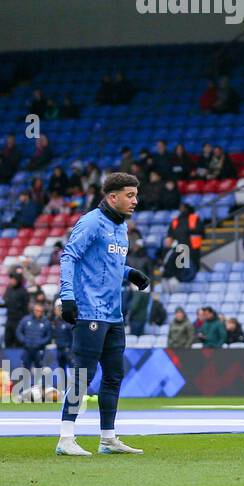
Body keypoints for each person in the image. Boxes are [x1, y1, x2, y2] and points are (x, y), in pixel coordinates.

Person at [55, 172, 151, 456]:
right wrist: (67, 297)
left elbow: (105, 265)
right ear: (112, 197)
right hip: (89, 311)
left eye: (136, 194)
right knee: (83, 374)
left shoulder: (121, 228)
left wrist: (129, 272)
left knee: (114, 375)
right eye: (130, 195)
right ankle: (65, 437)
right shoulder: (91, 222)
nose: (136, 200)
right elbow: (69, 257)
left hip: (113, 313)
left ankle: (108, 438)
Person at [18, 301, 54, 375]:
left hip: (39, 350)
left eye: (41, 311)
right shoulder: (26, 320)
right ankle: (25, 386)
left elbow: (49, 336)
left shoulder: (46, 322)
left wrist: (41, 342)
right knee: (25, 369)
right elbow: (18, 331)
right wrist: (24, 340)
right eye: (37, 311)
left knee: (39, 370)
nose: (39, 313)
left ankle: (38, 385)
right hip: (27, 349)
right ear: (33, 310)